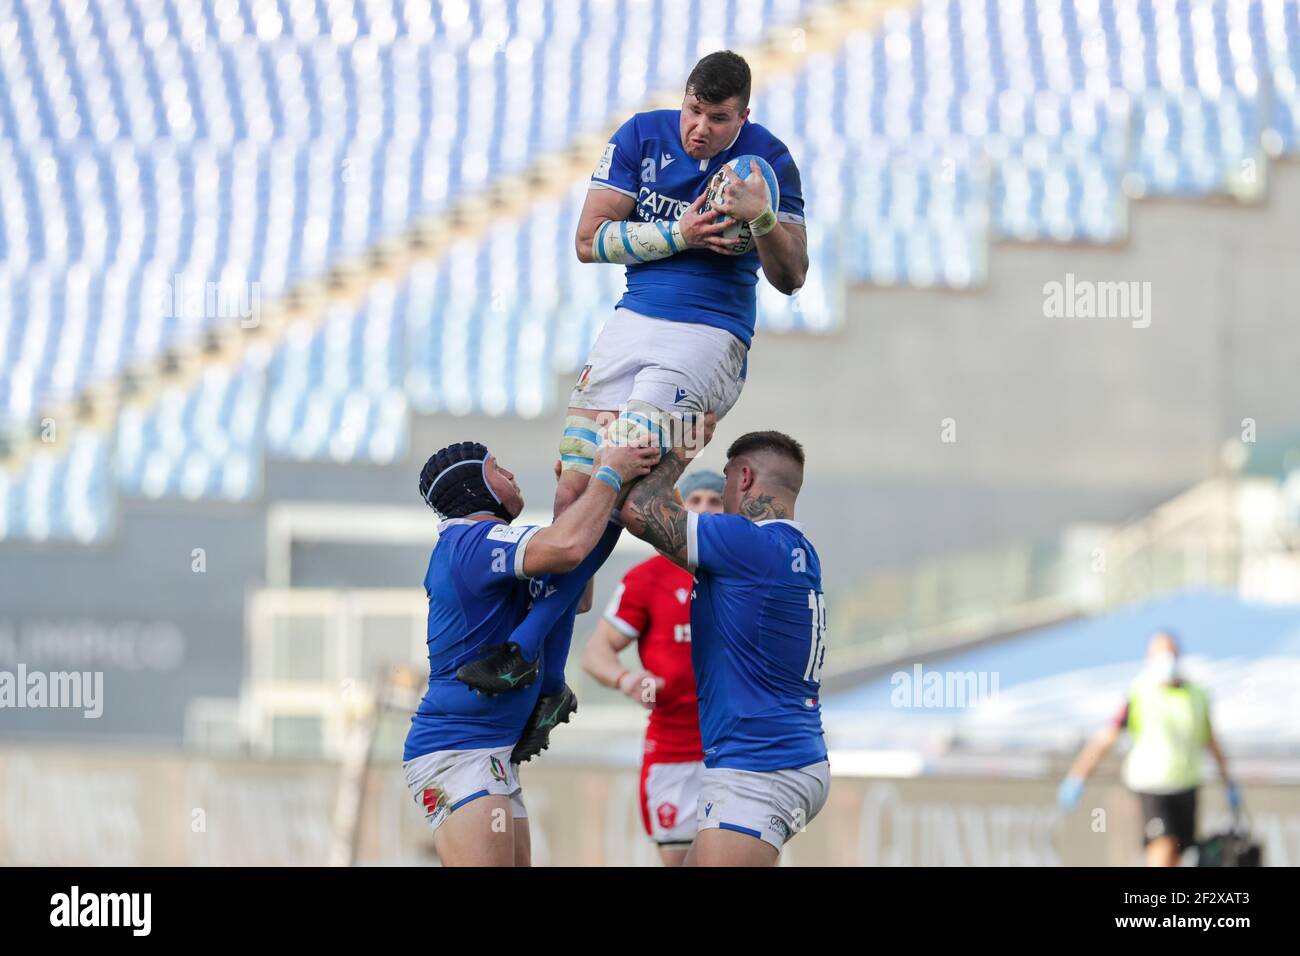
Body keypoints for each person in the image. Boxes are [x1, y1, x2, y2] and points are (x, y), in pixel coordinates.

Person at [456, 50, 808, 693]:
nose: (699, 127)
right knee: (571, 492)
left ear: (743, 116)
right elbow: (588, 240)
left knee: (617, 479)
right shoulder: (639, 135)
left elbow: (791, 278)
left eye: (717, 117)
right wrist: (682, 234)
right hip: (631, 321)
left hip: (707, 336)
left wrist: (759, 218)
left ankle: (522, 649)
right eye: (693, 110)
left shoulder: (769, 161)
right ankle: (550, 685)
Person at [402, 439, 658, 867]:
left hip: (492, 751)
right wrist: (607, 478)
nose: (511, 475)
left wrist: (579, 500)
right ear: (472, 489)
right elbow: (568, 548)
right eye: (497, 469)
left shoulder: (493, 547)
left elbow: (575, 594)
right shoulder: (472, 542)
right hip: (459, 752)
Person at [619, 432, 829, 866]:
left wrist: (681, 441)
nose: (722, 489)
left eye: (728, 477)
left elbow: (640, 512)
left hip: (757, 769)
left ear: (745, 477)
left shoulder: (747, 543)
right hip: (785, 757)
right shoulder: (796, 550)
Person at [582, 471, 725, 865]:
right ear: (679, 510)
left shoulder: (745, 574)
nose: (705, 509)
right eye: (695, 501)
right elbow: (596, 653)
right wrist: (628, 678)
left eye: (715, 501)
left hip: (738, 750)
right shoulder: (647, 578)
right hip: (674, 752)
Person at [1057, 630, 1240, 867]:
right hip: (1152, 787)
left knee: (1177, 854)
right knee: (1162, 847)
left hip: (1186, 786)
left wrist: (1229, 782)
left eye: (1170, 652)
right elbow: (1105, 738)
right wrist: (1078, 775)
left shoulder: (1197, 695)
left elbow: (1211, 740)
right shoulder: (1140, 693)